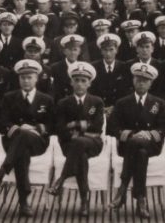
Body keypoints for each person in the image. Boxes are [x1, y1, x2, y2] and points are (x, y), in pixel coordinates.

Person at [0, 58, 55, 216]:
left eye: (29, 77)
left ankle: (2, 171)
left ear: (36, 78)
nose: (26, 81)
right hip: (13, 140)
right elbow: (3, 121)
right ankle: (24, 202)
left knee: (24, 138)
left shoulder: (46, 99)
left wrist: (34, 128)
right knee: (22, 153)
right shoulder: (9, 97)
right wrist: (18, 129)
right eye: (23, 77)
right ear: (18, 79)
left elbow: (52, 125)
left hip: (37, 142)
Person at [108, 61, 165, 217]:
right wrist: (130, 135)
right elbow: (112, 127)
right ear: (133, 80)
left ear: (151, 83)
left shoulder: (158, 103)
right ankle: (141, 199)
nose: (141, 83)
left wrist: (148, 134)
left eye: (145, 80)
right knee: (140, 153)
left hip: (151, 144)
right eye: (138, 79)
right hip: (128, 144)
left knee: (140, 147)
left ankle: (123, 188)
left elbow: (164, 128)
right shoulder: (122, 103)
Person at [47, 61, 105, 217]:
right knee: (81, 156)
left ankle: (61, 179)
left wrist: (74, 125)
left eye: (83, 81)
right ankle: (84, 201)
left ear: (89, 83)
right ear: (71, 82)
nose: (80, 84)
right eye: (77, 80)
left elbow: (98, 126)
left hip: (93, 143)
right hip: (70, 145)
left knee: (79, 144)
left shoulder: (97, 102)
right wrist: (83, 127)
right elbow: (60, 128)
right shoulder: (63, 103)